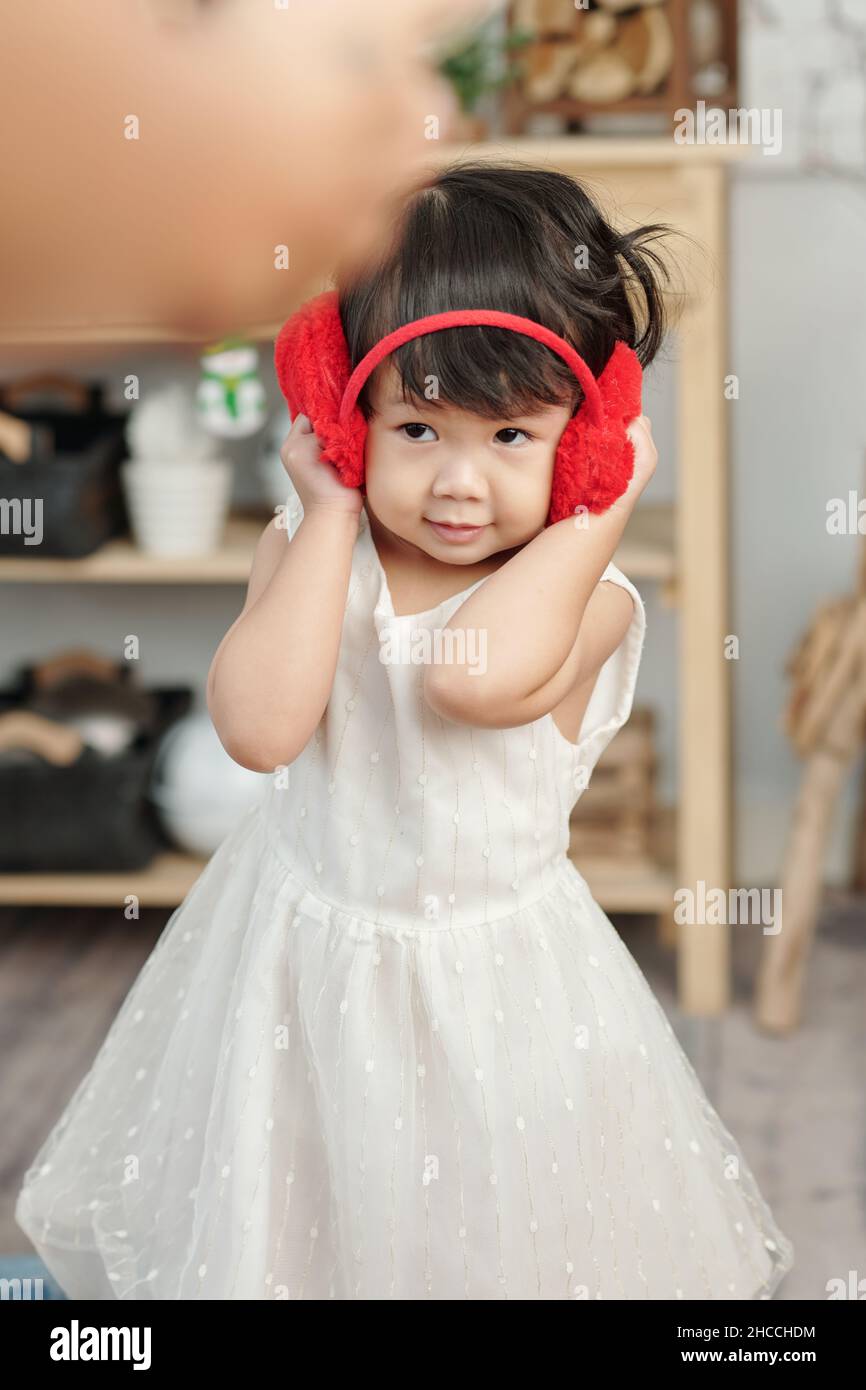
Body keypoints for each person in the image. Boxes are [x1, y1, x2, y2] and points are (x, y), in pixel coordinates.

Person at [15, 160, 794, 1300]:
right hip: (297, 965)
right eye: (417, 426)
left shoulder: (586, 595)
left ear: (583, 440)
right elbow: (259, 729)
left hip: (495, 995)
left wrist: (606, 502)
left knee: (484, 1245)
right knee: (302, 1228)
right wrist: (327, 508)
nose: (457, 484)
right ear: (345, 411)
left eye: (513, 438)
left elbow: (472, 687)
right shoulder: (317, 545)